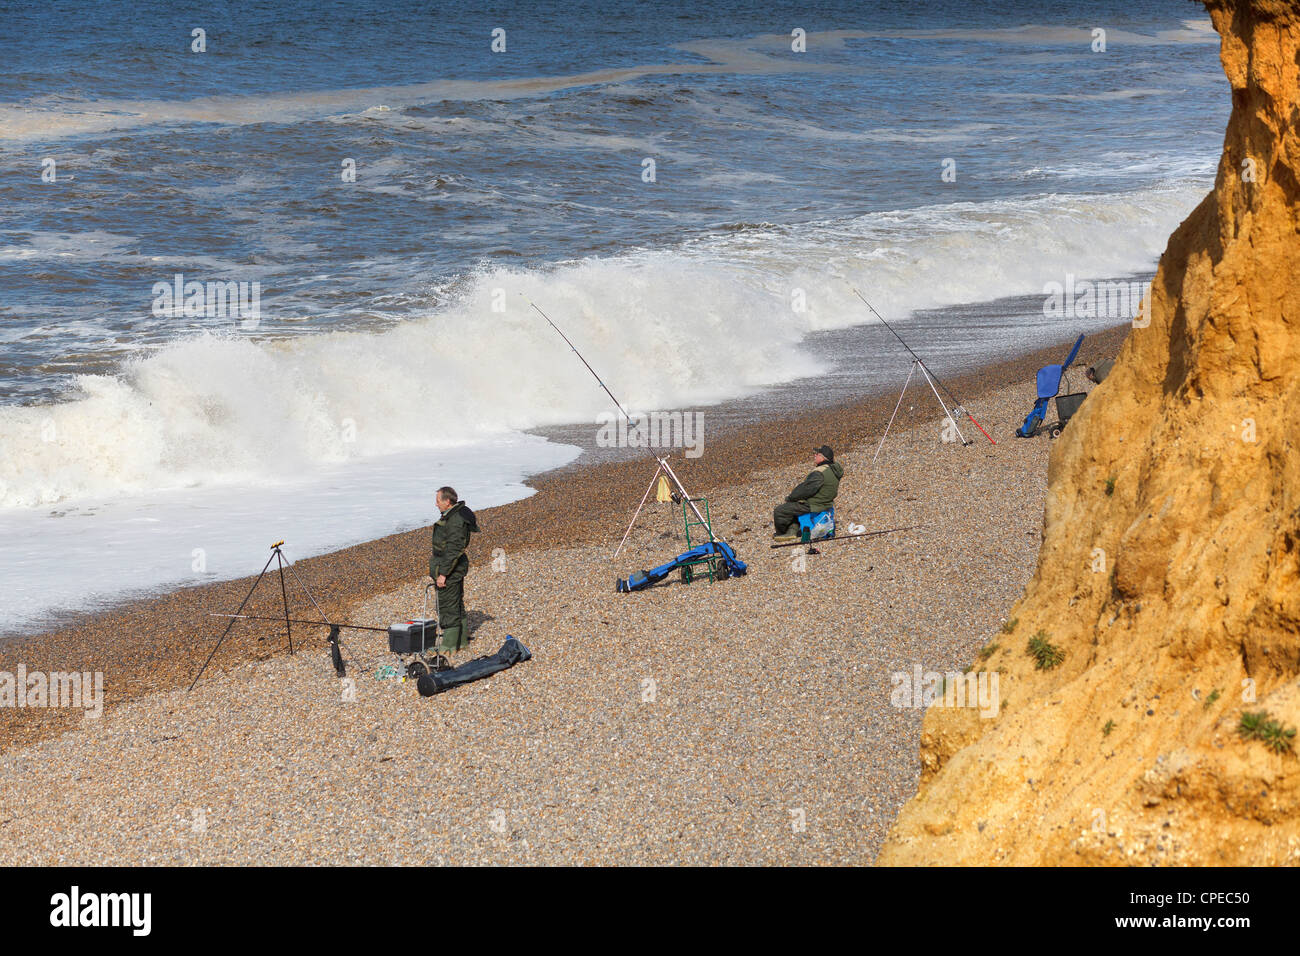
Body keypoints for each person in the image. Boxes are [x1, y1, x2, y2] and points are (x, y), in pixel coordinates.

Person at [429, 486, 478, 653]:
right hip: (453, 566)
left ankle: (449, 646)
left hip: (450, 569)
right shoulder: (453, 515)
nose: (436, 505)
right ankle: (461, 640)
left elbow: (454, 548)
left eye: (438, 501)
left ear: (447, 501)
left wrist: (443, 574)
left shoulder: (456, 520)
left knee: (448, 604)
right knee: (456, 602)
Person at [773, 445, 843, 542]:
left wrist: (790, 498)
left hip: (815, 505)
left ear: (823, 457)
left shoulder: (820, 472)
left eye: (817, 454)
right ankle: (793, 530)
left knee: (780, 511)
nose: (814, 455)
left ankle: (783, 533)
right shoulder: (833, 470)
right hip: (826, 502)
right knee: (794, 507)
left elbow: (806, 489)